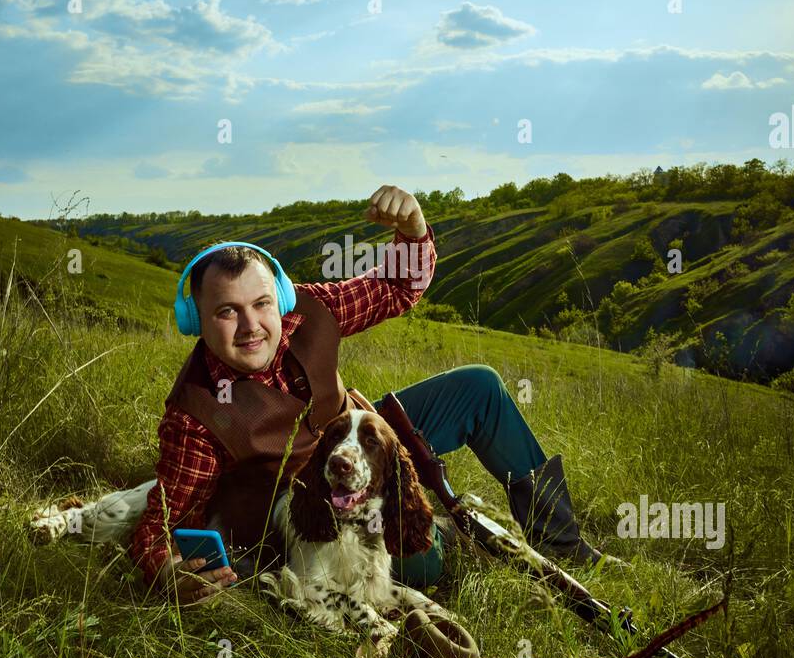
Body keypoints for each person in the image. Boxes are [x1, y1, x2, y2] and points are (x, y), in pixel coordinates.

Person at [131, 184, 608, 606]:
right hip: (311, 499)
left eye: (261, 304)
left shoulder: (312, 308)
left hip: (365, 434)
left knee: (480, 384)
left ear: (281, 297)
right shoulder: (194, 416)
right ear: (195, 318)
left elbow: (398, 287)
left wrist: (414, 231)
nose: (252, 325)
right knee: (424, 562)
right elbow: (159, 527)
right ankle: (451, 528)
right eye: (227, 313)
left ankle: (562, 545)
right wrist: (168, 569)